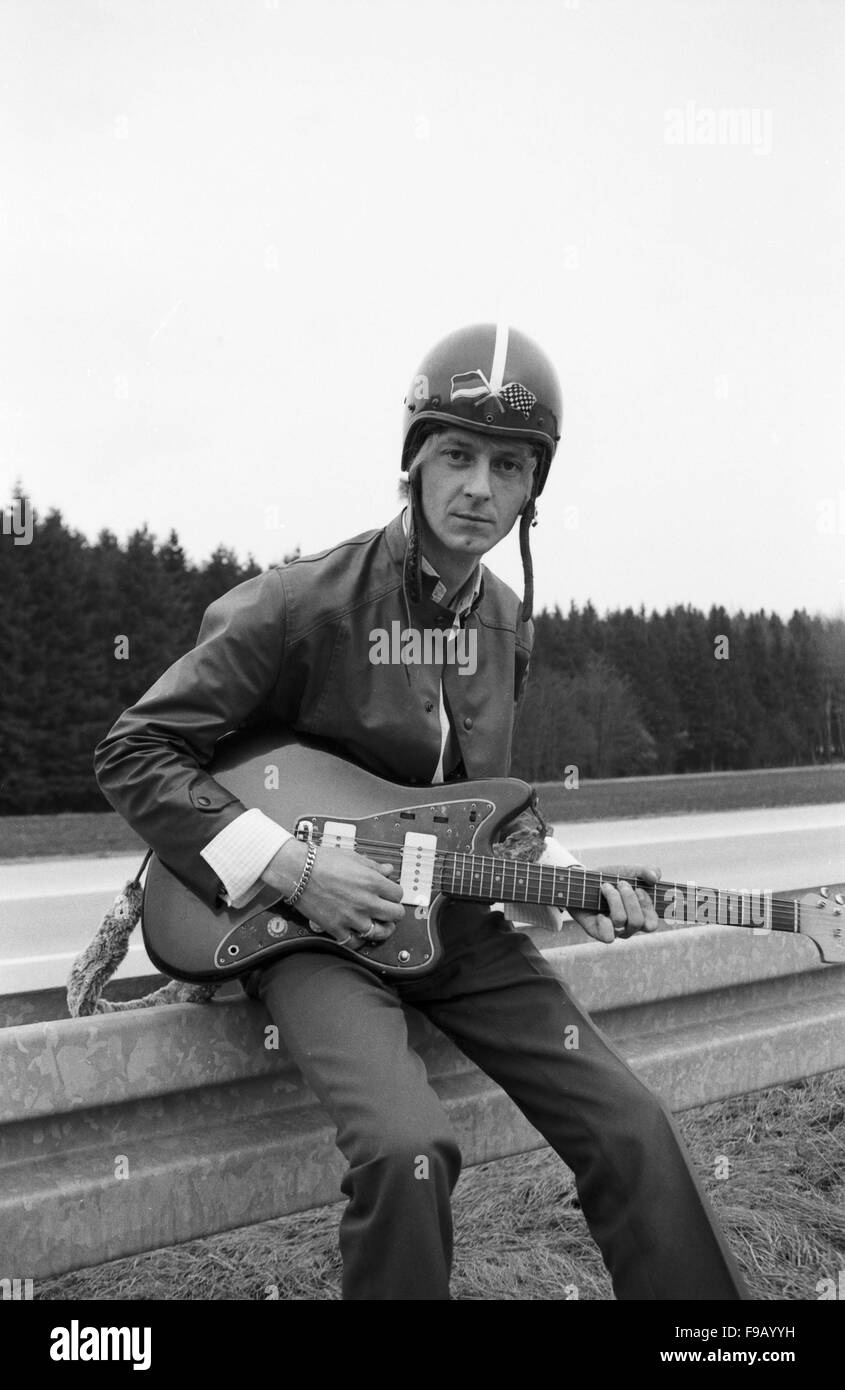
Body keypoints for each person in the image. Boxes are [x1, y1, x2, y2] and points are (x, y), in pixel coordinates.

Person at [94, 322, 749, 1301]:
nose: (479, 487)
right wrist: (294, 868)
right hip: (308, 929)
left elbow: (481, 810)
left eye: (508, 464)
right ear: (412, 461)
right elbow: (134, 749)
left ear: (534, 487)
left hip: (454, 921)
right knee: (407, 1150)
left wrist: (576, 886)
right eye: (455, 454)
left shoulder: (500, 621)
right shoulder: (295, 602)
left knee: (633, 1126)